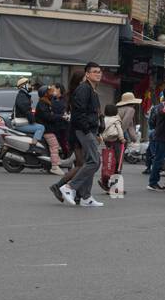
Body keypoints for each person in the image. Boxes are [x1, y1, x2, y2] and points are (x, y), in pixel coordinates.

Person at [52, 63, 103, 207]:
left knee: (90, 162)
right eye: (95, 72)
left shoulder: (92, 90)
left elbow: (95, 112)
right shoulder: (83, 89)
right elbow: (79, 113)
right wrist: (87, 130)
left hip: (90, 130)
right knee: (94, 161)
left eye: (99, 72)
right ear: (87, 74)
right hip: (83, 130)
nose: (98, 74)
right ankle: (69, 187)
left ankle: (86, 197)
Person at [36, 86, 65, 174]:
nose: (52, 93)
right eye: (50, 91)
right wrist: (61, 117)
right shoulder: (42, 103)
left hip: (48, 128)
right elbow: (48, 117)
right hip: (46, 129)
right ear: (45, 94)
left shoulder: (46, 102)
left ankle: (53, 162)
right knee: (54, 146)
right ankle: (54, 167)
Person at [98, 103, 124, 191]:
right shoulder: (116, 119)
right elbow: (119, 130)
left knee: (108, 162)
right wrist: (122, 139)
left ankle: (105, 181)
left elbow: (100, 130)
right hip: (116, 142)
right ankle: (115, 187)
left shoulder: (103, 119)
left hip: (107, 142)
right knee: (117, 163)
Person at [13, 77, 45, 141]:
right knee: (41, 128)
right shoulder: (22, 96)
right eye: (29, 84)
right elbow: (26, 110)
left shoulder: (24, 95)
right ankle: (34, 145)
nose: (31, 86)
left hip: (22, 122)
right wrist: (33, 120)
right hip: (21, 123)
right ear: (23, 86)